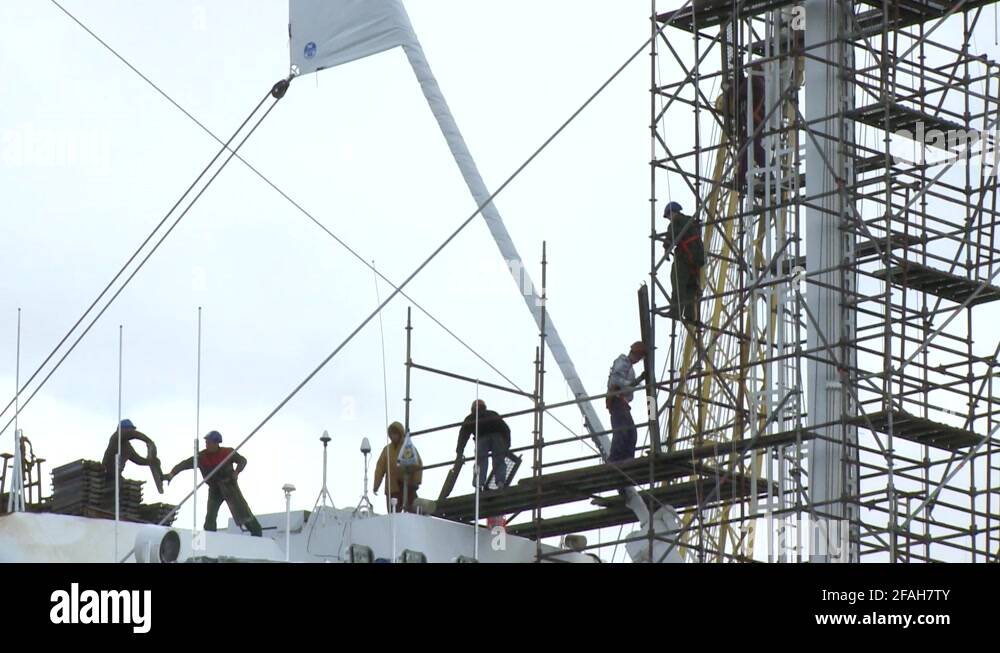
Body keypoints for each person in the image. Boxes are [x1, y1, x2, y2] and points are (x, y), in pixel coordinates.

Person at [164, 431, 263, 537]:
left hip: (229, 487)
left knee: (242, 511)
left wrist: (236, 472)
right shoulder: (202, 457)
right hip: (214, 489)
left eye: (208, 442)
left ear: (216, 443)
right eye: (206, 442)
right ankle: (210, 536)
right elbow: (184, 464)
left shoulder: (227, 452)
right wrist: (172, 474)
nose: (206, 444)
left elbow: (242, 460)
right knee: (210, 515)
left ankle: (257, 532)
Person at [720, 66, 765, 192]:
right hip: (750, 122)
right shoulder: (752, 83)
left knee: (749, 148)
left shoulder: (756, 82)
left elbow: (741, 93)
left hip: (754, 121)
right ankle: (764, 173)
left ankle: (741, 179)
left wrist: (731, 87)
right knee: (749, 149)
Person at [662, 202, 705, 323]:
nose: (669, 218)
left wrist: (666, 249)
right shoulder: (691, 222)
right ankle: (690, 316)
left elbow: (671, 235)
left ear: (672, 212)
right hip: (696, 260)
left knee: (677, 284)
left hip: (684, 258)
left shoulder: (676, 222)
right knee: (691, 288)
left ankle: (675, 311)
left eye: (668, 215)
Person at [456, 399, 512, 490]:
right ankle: (500, 482)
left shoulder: (471, 417)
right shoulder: (492, 414)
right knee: (499, 460)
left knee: (480, 462)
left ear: (472, 408)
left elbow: (463, 436)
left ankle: (479, 485)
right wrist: (507, 445)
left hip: (481, 439)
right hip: (497, 437)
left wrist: (459, 452)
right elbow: (505, 429)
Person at [606, 342, 647, 462]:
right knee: (622, 430)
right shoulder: (623, 361)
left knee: (631, 433)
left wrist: (639, 379)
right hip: (617, 400)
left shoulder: (629, 368)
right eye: (638, 357)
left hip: (622, 401)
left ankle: (627, 458)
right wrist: (633, 383)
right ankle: (615, 459)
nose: (638, 360)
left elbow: (629, 386)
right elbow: (616, 380)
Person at [101, 419, 165, 494]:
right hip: (106, 473)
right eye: (130, 429)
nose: (131, 431)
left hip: (116, 476)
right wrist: (148, 441)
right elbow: (133, 434)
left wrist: (151, 461)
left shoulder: (127, 448)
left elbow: (138, 460)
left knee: (123, 490)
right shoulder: (115, 438)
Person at [373, 422, 423, 513]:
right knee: (393, 514)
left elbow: (418, 464)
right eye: (391, 434)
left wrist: (416, 481)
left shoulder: (408, 447)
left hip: (408, 486)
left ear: (400, 433)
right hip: (391, 488)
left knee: (413, 511)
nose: (393, 436)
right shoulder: (386, 450)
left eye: (395, 433)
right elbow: (379, 468)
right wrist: (376, 485)